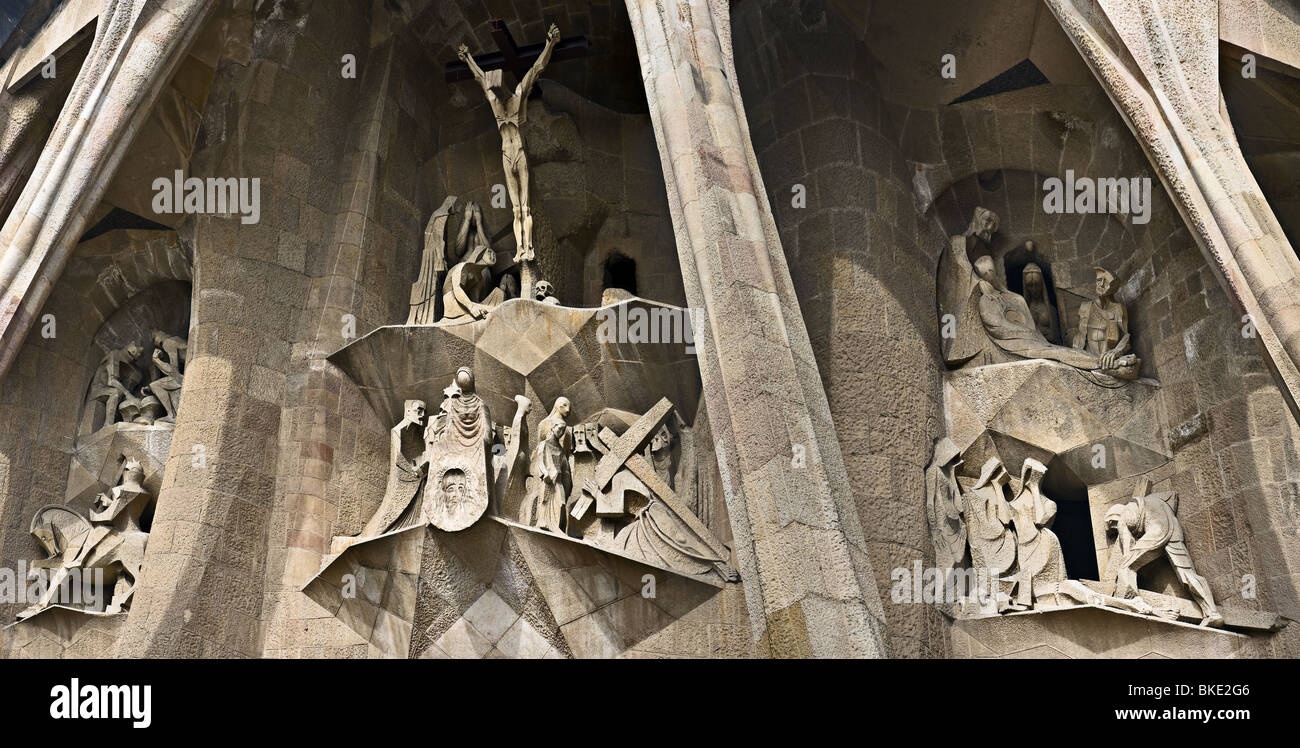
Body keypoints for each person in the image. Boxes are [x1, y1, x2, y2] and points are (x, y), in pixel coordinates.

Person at [458, 24, 562, 263]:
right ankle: (519, 249)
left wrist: (550, 44)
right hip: (506, 156)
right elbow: (480, 79)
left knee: (525, 207)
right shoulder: (495, 105)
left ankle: (529, 247)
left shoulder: (517, 97)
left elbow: (536, 69)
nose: (495, 93)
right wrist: (468, 58)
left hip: (519, 154)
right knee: (516, 210)